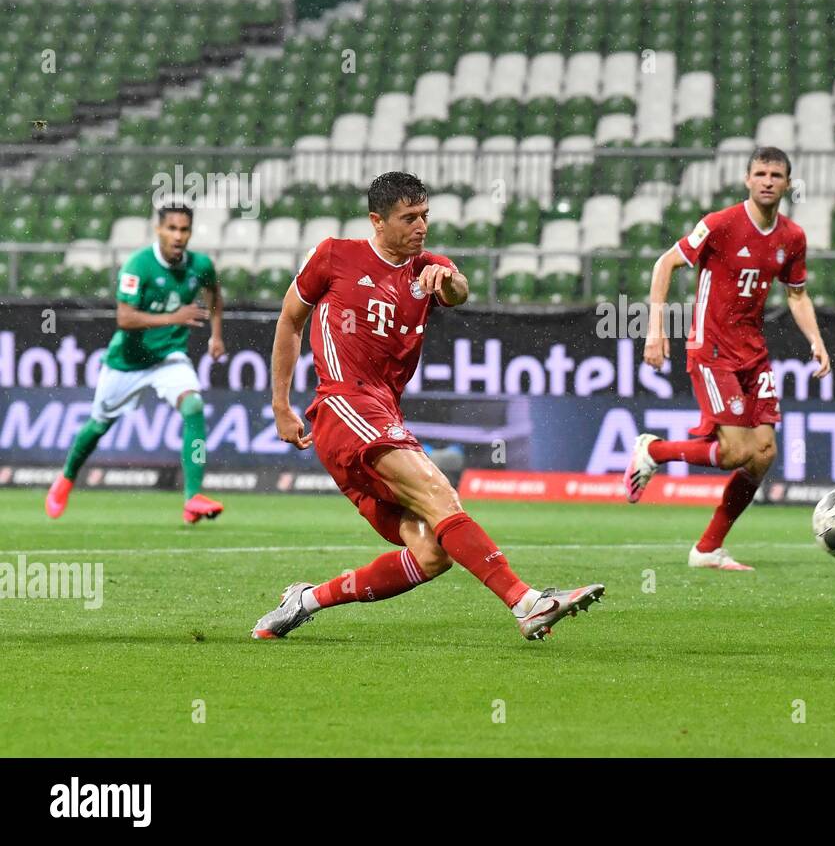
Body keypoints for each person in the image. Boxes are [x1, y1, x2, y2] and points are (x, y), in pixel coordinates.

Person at [253, 171, 604, 641]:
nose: (421, 227)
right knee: (441, 494)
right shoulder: (335, 255)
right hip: (343, 404)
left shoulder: (427, 266)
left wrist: (449, 281)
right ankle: (528, 603)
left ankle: (307, 600)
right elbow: (290, 320)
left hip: (382, 413)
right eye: (409, 218)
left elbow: (457, 291)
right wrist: (280, 405)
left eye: (425, 216)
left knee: (431, 554)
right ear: (377, 221)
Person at [623, 146, 830, 571]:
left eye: (776, 174)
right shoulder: (720, 224)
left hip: (753, 354)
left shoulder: (792, 237)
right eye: (760, 173)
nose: (768, 180)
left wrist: (816, 339)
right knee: (736, 452)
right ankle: (655, 450)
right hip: (712, 348)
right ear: (747, 179)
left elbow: (797, 294)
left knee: (764, 453)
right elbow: (665, 264)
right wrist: (656, 328)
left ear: (788, 183)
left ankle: (707, 549)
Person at [46, 198, 225, 525]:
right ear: (158, 229)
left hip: (169, 357)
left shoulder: (200, 265)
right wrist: (174, 317)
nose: (178, 236)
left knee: (194, 406)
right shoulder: (138, 265)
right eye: (171, 228)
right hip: (126, 363)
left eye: (184, 229)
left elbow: (214, 293)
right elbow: (125, 318)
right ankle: (66, 477)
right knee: (99, 423)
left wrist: (216, 335)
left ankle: (192, 497)